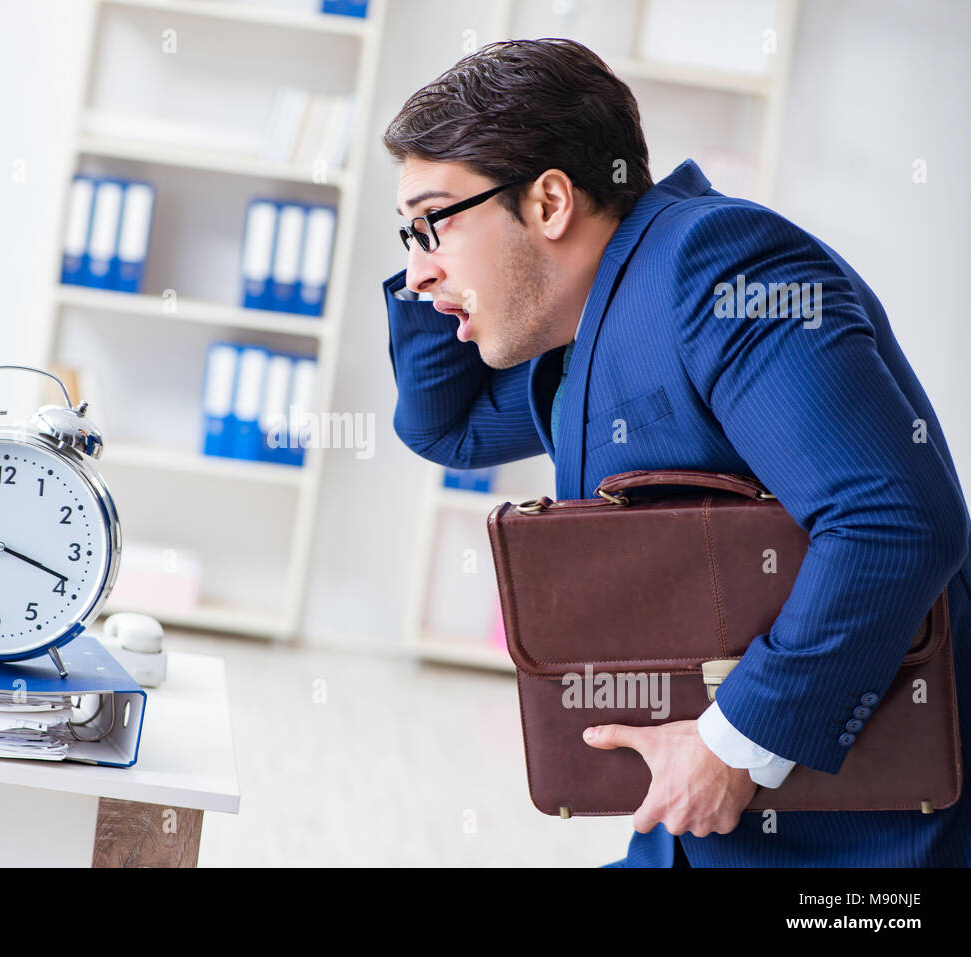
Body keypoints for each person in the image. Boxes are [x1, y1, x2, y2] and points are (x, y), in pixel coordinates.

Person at [382, 37, 971, 866]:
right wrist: (435, 251)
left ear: (550, 202)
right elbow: (449, 428)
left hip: (860, 846)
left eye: (436, 220)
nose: (415, 274)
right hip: (695, 833)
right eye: (409, 232)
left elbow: (897, 521)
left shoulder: (717, 267)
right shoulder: (582, 323)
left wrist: (736, 744)